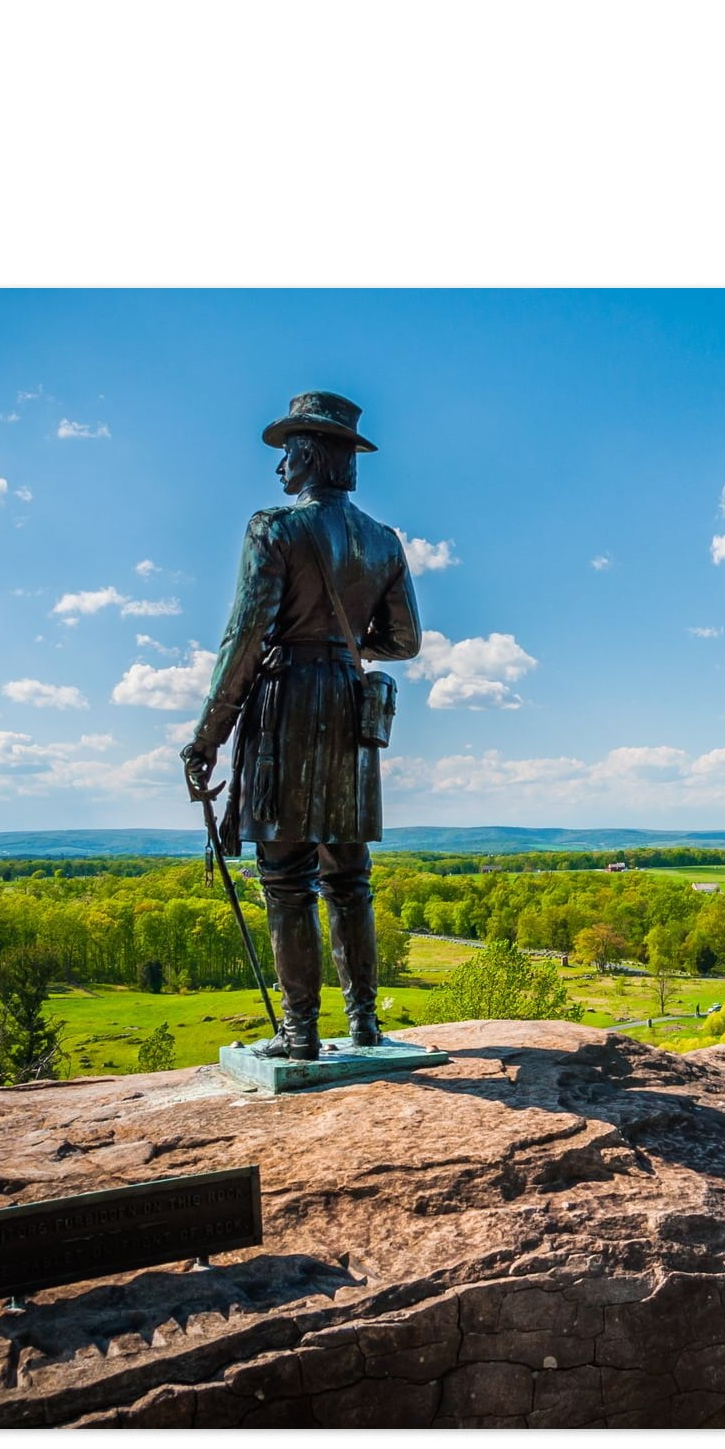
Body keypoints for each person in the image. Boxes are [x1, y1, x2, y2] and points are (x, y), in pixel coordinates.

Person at [182, 392, 423, 1059]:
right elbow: (403, 640)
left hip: (287, 703)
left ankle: (299, 1032)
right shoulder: (382, 541)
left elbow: (243, 636)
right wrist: (347, 644)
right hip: (348, 707)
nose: (278, 468)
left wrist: (209, 736)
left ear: (310, 454)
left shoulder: (274, 529)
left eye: (286, 452)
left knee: (287, 876)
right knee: (350, 875)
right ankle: (365, 1024)